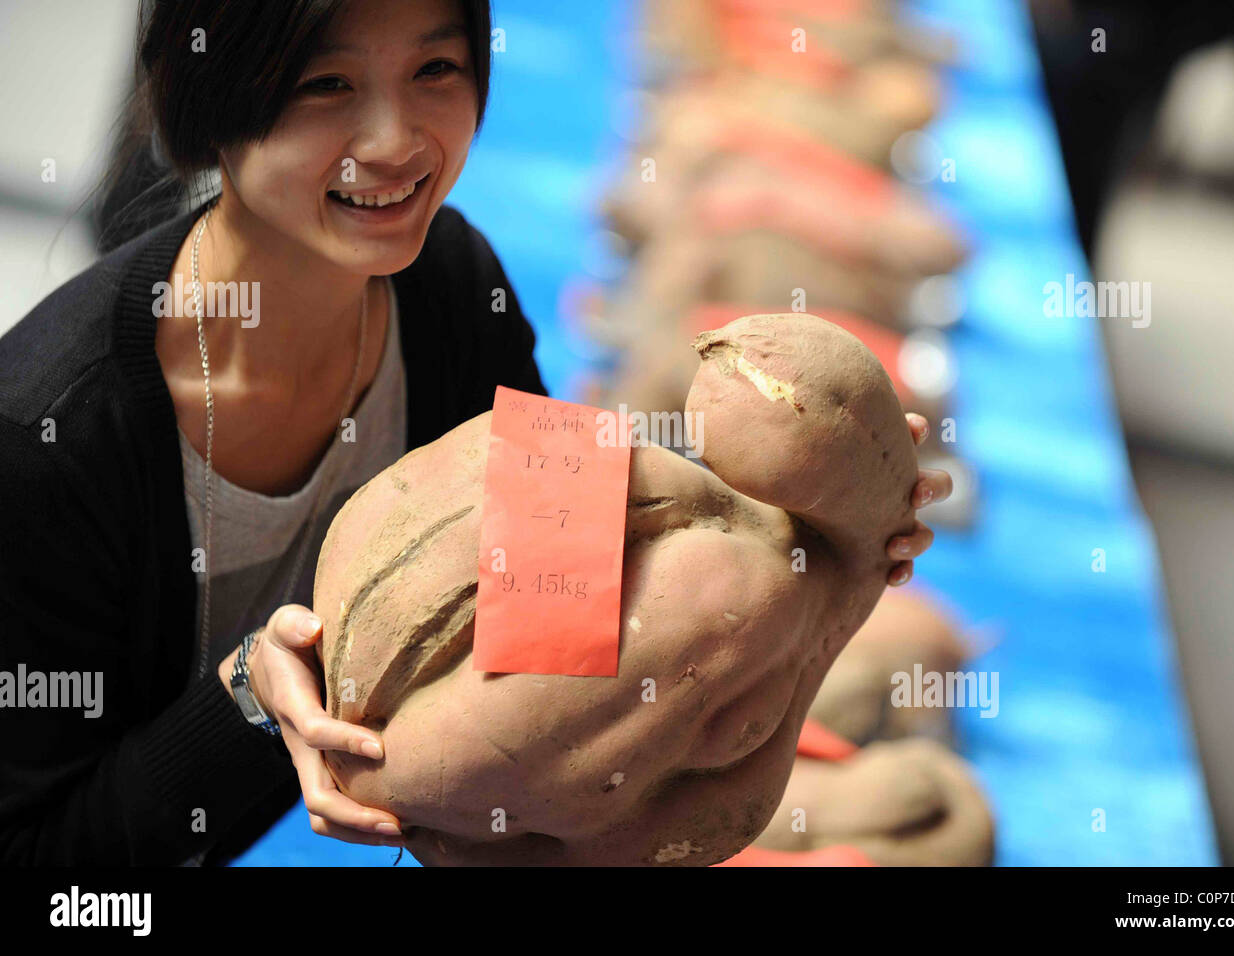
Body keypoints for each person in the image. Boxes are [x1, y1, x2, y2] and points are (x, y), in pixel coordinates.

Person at [0, 0, 950, 866]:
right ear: (208, 99)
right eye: (327, 85)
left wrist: (833, 534)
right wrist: (248, 695)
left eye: (436, 72)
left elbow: (557, 604)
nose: (395, 140)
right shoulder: (46, 440)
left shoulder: (451, 284)